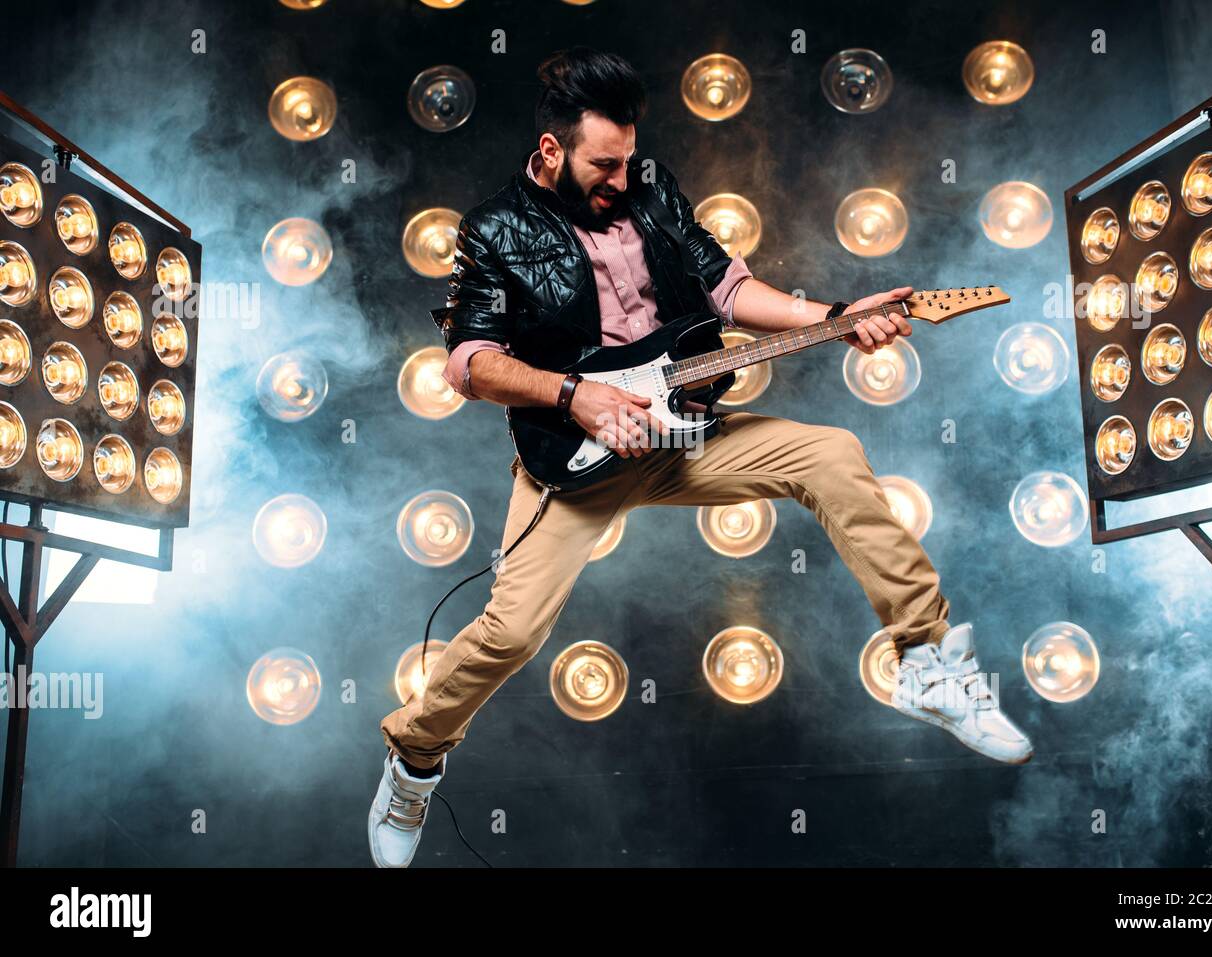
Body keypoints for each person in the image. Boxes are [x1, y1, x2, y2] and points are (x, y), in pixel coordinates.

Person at [369, 46, 1033, 868]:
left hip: (680, 432)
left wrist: (835, 312)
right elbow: (470, 364)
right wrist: (578, 395)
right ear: (551, 151)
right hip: (573, 456)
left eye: (627, 158)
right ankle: (414, 756)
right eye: (602, 165)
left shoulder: (649, 185)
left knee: (830, 452)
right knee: (508, 636)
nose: (622, 176)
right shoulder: (496, 227)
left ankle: (926, 661)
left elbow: (726, 289)